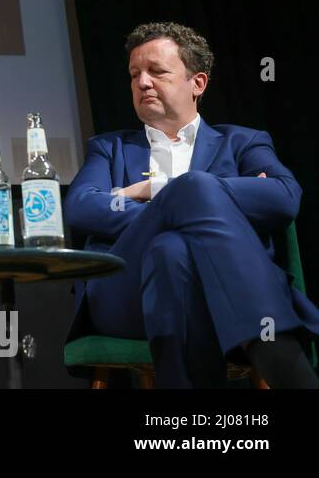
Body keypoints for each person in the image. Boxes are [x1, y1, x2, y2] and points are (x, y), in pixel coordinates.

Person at [64, 22, 319, 388]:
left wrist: (149, 191)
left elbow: (283, 197)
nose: (142, 83)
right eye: (135, 74)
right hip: (125, 296)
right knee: (194, 188)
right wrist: (190, 197)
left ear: (197, 83)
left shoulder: (242, 142)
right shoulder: (108, 148)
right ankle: (278, 349)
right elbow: (82, 208)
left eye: (157, 71)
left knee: (172, 249)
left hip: (213, 289)